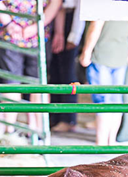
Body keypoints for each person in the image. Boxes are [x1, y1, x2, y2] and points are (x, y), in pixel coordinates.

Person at [0, 0, 62, 137]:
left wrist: (32, 27)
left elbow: (56, 2)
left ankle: (34, 131)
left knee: (33, 84)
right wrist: (11, 24)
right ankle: (12, 130)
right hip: (16, 33)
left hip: (31, 34)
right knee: (14, 83)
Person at [80, 19, 128, 145]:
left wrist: (86, 52)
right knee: (116, 99)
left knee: (102, 99)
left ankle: (101, 142)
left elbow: (96, 25)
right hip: (121, 55)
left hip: (101, 54)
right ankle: (111, 141)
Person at [48, 0, 80, 133]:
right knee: (55, 71)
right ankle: (54, 116)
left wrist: (74, 35)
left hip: (72, 21)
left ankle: (68, 119)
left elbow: (81, 7)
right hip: (57, 17)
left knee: (68, 73)